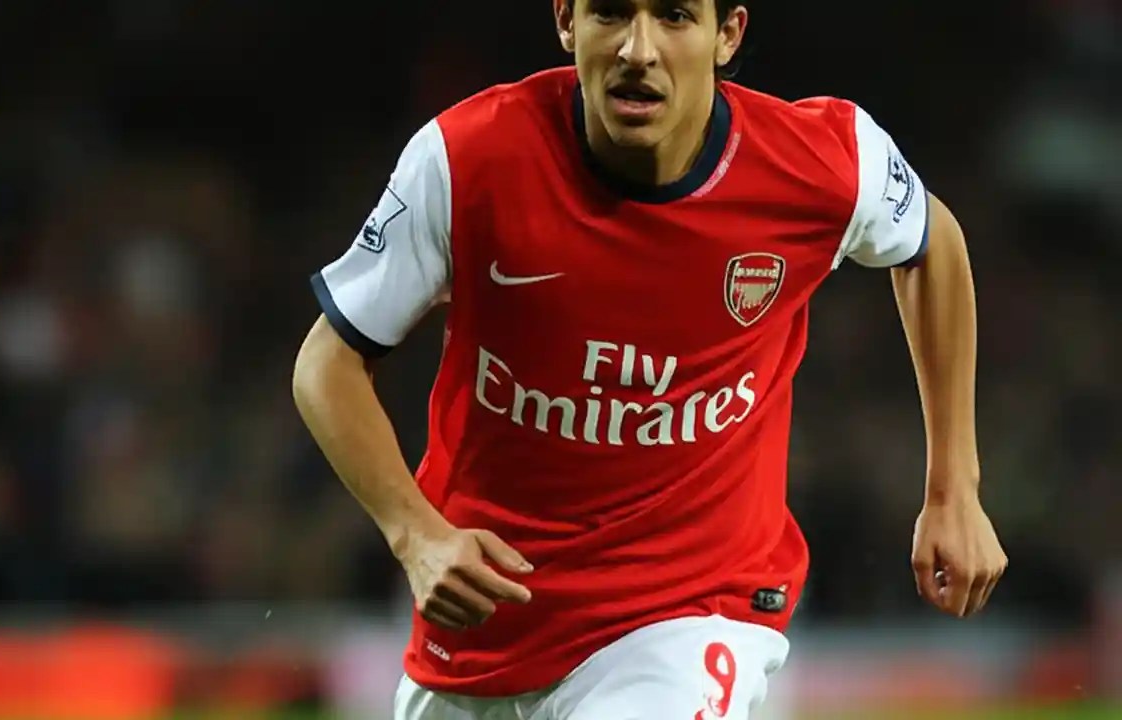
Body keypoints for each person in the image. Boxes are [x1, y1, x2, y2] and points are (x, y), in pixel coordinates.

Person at [291, 0, 1009, 717]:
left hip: (690, 615)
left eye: (673, 16)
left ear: (727, 34)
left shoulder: (820, 162)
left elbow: (931, 242)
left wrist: (954, 489)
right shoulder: (465, 158)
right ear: (566, 22)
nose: (638, 48)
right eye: (610, 14)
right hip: (486, 627)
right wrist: (415, 534)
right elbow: (327, 364)